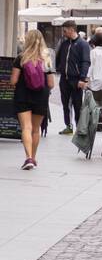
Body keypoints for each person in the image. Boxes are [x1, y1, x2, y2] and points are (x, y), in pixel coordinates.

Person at [11, 30, 53, 170]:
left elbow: (13, 81)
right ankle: (33, 158)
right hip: (41, 97)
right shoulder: (46, 59)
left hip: (23, 95)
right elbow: (51, 84)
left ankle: (28, 157)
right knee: (36, 129)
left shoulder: (21, 58)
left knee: (26, 128)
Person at [54, 20, 90, 135]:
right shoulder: (64, 43)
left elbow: (86, 62)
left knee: (77, 104)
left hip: (76, 79)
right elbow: (58, 57)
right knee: (65, 104)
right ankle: (68, 126)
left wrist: (82, 78)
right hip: (64, 78)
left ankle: (79, 128)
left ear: (71, 29)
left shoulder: (83, 44)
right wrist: (58, 67)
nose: (63, 33)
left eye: (65, 31)